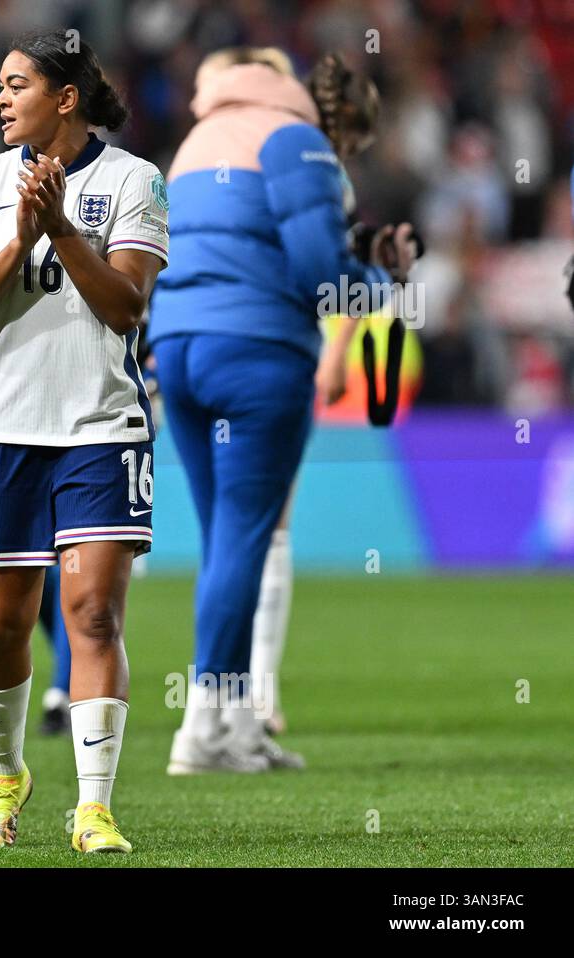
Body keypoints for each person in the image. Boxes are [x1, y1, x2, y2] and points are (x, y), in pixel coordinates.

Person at [147, 49, 415, 774]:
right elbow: (321, 277)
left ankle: (232, 726)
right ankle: (203, 732)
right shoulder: (296, 141)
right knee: (246, 538)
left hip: (179, 347)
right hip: (257, 352)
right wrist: (383, 278)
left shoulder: (199, 139)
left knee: (224, 539)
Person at [0, 31, 167, 854]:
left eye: (16, 85)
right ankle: (7, 776)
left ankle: (95, 807)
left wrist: (65, 228)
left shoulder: (135, 180)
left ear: (64, 97)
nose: (0, 100)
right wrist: (23, 241)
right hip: (0, 427)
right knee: (1, 630)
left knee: (93, 614)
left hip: (101, 429)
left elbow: (126, 307)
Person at [0, 325, 71, 734]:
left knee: (80, 584)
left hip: (82, 430)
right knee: (18, 596)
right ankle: (8, 764)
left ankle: (64, 691)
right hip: (7, 433)